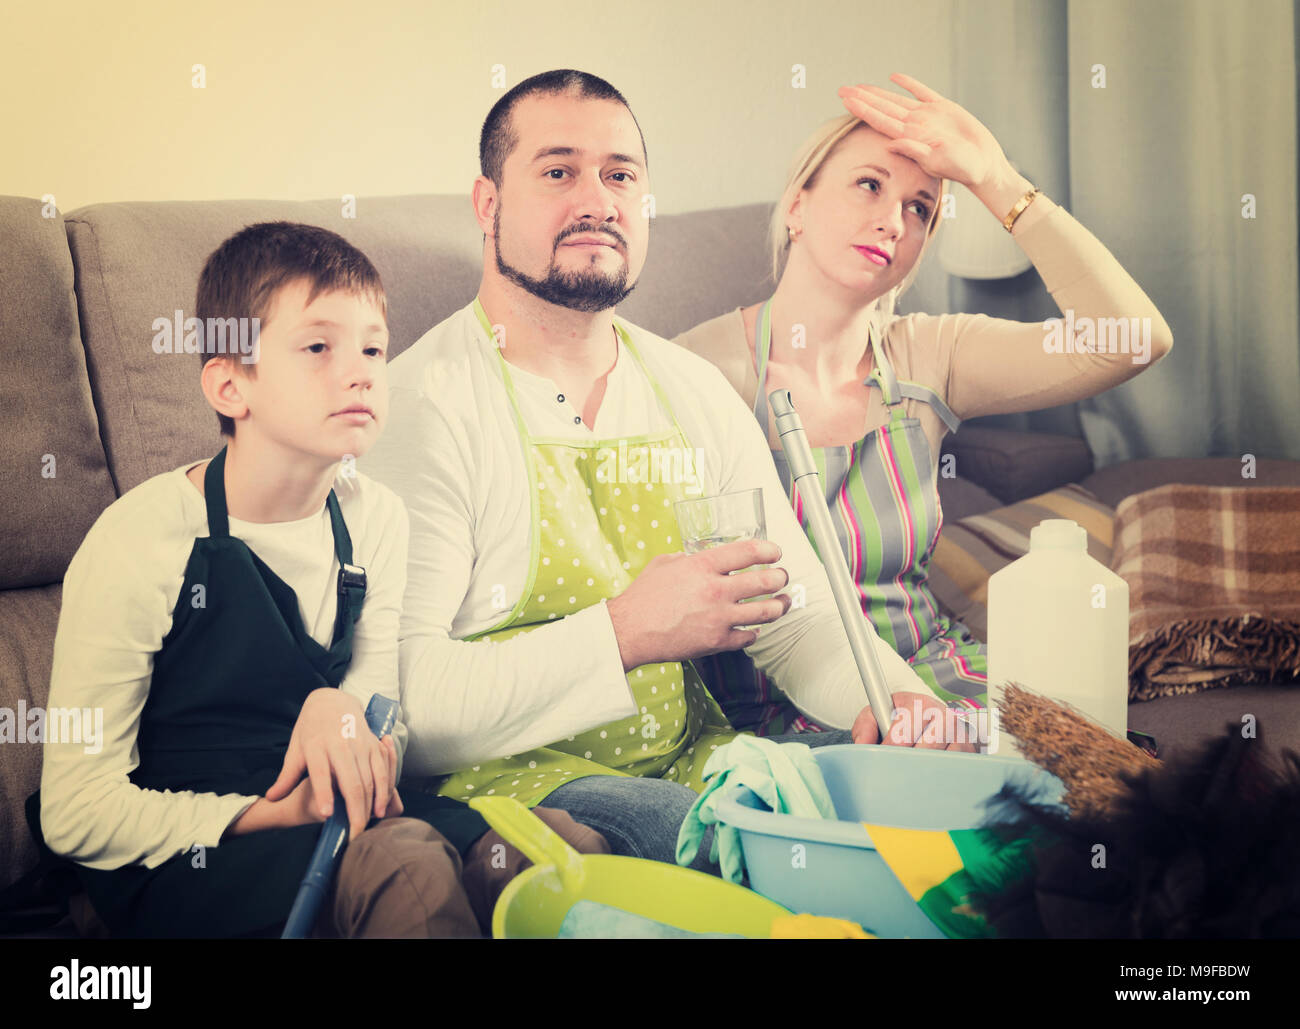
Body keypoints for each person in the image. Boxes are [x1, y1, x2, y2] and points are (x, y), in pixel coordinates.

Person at [359, 69, 980, 875]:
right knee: (759, 848)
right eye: (559, 171)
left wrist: (896, 701)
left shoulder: (691, 390)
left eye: (620, 175)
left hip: (697, 764)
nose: (597, 200)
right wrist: (624, 630)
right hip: (511, 790)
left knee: (957, 810)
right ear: (488, 204)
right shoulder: (423, 403)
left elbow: (796, 617)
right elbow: (405, 705)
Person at [35, 222, 607, 938]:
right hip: (187, 851)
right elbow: (75, 811)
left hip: (339, 814)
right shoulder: (139, 540)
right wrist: (279, 811)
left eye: (373, 348)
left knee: (555, 848)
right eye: (317, 348)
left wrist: (342, 713)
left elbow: (383, 717)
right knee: (404, 867)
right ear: (230, 384)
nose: (361, 372)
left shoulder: (377, 518)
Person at [675, 73, 1174, 736]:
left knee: (1097, 779)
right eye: (869, 185)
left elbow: (1136, 340)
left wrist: (995, 179)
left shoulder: (930, 353)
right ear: (797, 205)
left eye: (920, 209)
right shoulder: (689, 372)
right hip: (764, 717)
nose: (893, 221)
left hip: (933, 686)